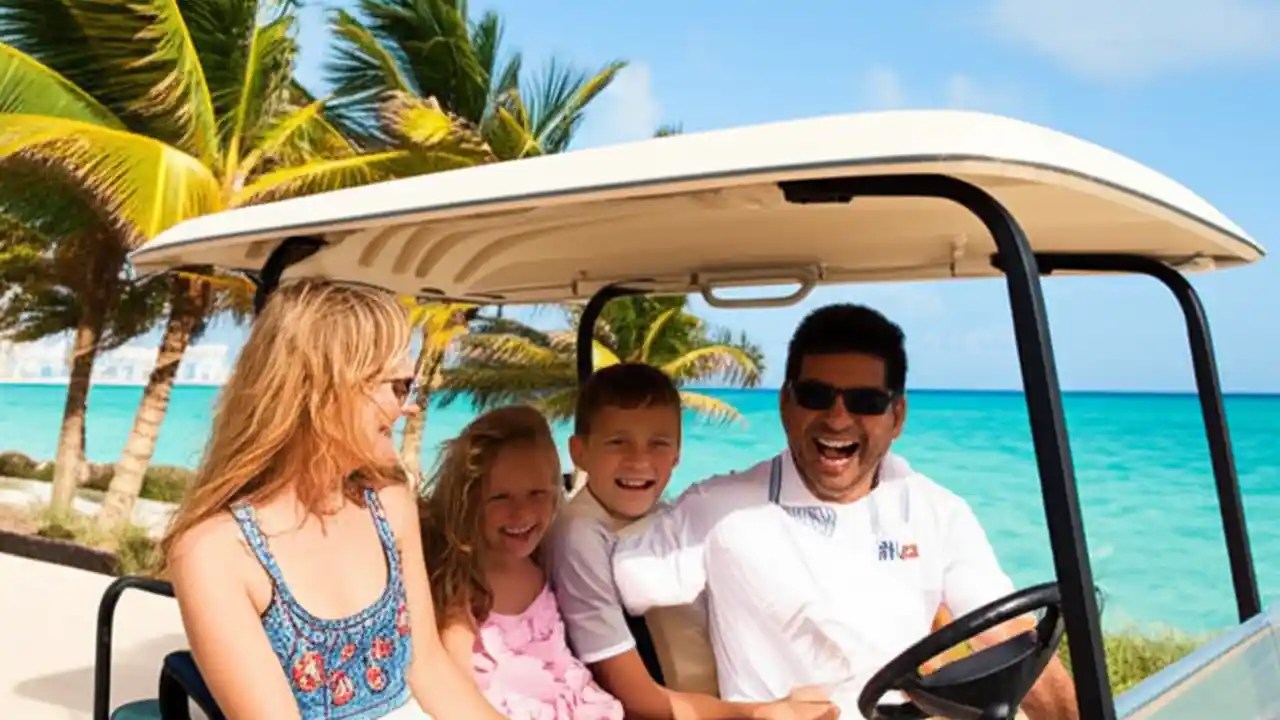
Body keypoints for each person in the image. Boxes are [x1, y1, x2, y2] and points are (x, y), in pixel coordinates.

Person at [609, 304, 1080, 719]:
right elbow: (610, 574)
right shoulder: (718, 508)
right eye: (816, 396)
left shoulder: (935, 511)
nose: (837, 418)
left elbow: (1009, 637)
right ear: (786, 405)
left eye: (865, 402)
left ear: (896, 417)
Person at [159, 279, 503, 720]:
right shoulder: (217, 551)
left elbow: (429, 669)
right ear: (324, 390)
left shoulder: (389, 502)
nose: (409, 408)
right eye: (398, 387)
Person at [543, 362, 839, 719]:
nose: (639, 460)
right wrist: (759, 713)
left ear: (677, 454)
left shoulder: (668, 518)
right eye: (617, 442)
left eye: (658, 444)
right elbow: (631, 694)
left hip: (718, 700)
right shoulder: (581, 536)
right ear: (579, 452)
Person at [419, 404, 625, 719]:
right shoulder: (465, 584)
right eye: (501, 497)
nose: (522, 513)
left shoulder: (543, 558)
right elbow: (455, 681)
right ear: (469, 500)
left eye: (537, 493)